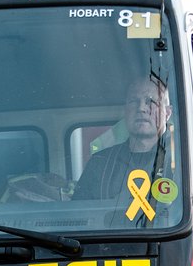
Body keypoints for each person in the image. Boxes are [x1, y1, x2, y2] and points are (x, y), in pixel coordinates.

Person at [72, 76, 177, 204]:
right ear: (125, 110)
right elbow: (81, 214)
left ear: (167, 112)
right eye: (134, 101)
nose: (141, 108)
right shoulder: (100, 163)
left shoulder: (181, 163)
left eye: (151, 101)